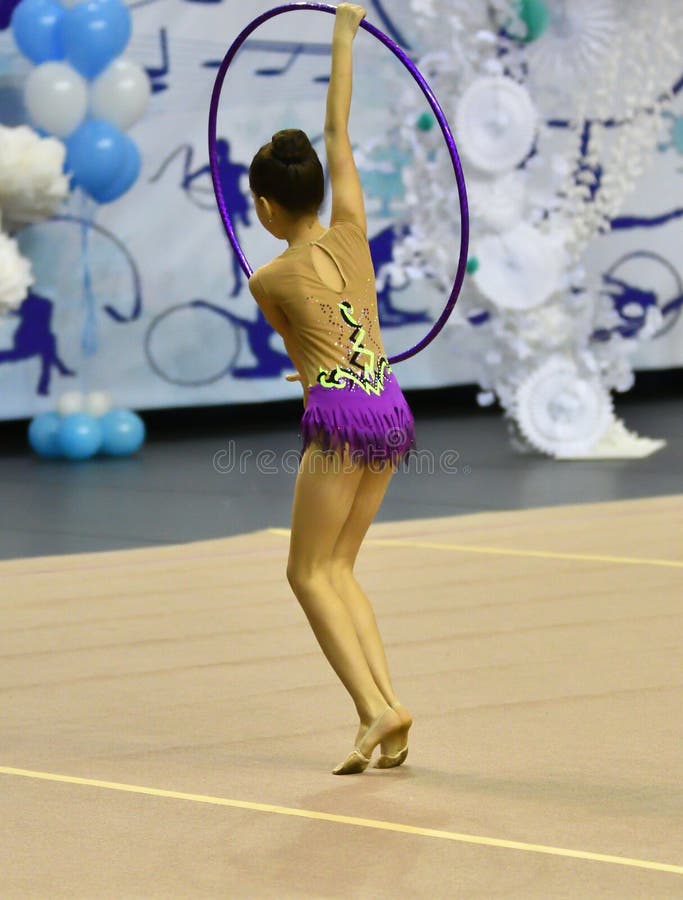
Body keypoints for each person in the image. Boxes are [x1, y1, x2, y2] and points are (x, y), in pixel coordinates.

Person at [248, 3, 414, 775]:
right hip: (387, 404)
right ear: (319, 188)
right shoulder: (352, 226)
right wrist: (345, 32)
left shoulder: (266, 277)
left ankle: (375, 708)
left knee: (304, 571)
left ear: (262, 207)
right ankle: (388, 713)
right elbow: (339, 132)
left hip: (344, 415)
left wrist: (314, 373)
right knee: (340, 566)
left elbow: (303, 346)